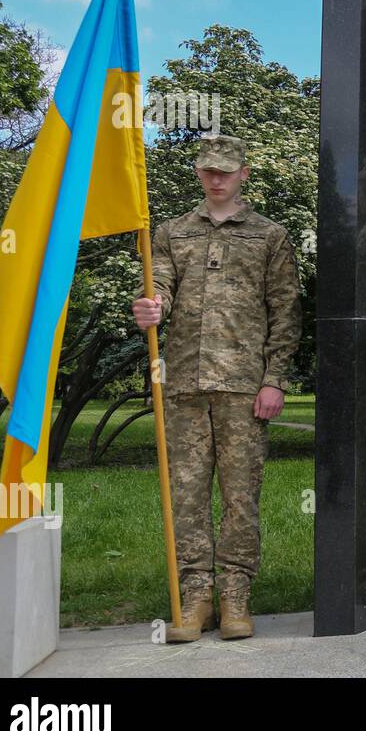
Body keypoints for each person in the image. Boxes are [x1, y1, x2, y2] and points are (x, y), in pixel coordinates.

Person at [132, 134, 302, 641]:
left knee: (240, 497)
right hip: (183, 383)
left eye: (226, 171)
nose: (217, 178)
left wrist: (275, 380)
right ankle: (195, 597)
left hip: (243, 387)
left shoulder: (270, 235)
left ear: (243, 174)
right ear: (199, 173)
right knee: (185, 495)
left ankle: (235, 596)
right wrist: (151, 307)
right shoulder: (171, 232)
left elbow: (286, 312)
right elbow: (158, 284)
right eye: (209, 170)